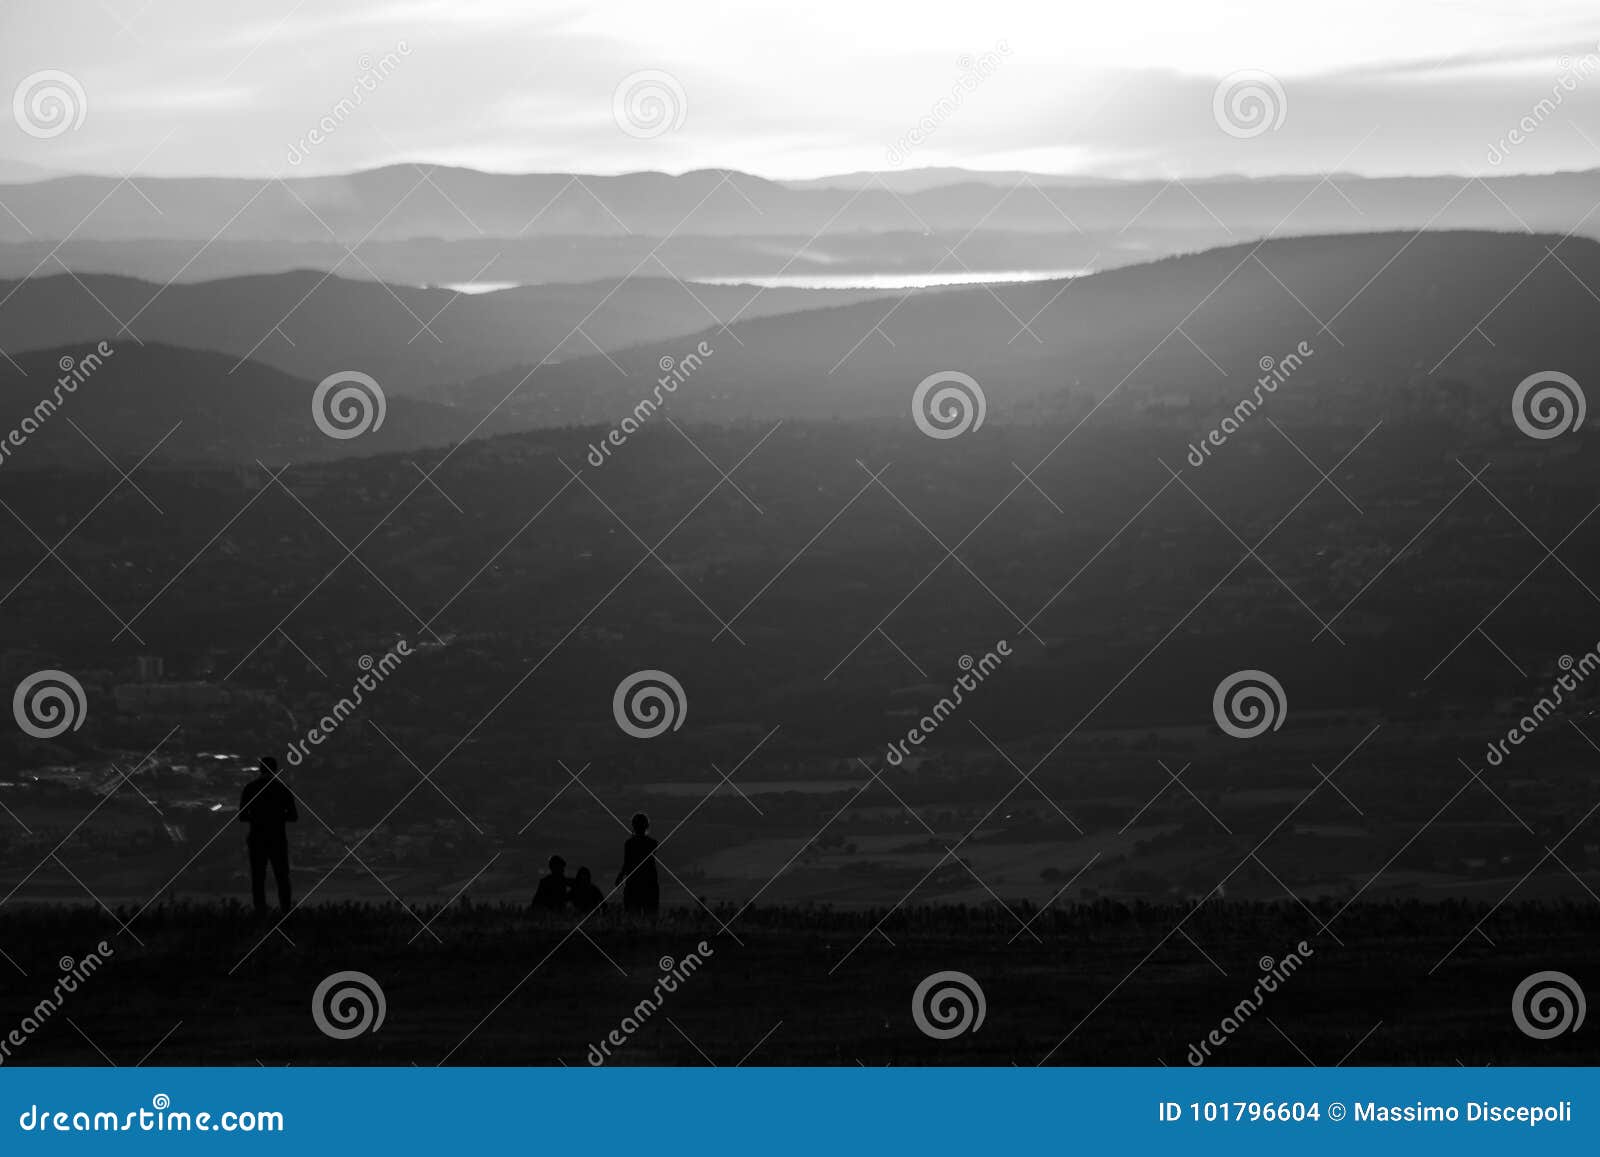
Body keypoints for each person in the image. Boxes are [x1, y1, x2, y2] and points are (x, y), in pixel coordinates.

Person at [238, 755, 297, 914]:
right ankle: (286, 911)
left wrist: (258, 818)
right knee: (282, 876)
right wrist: (277, 817)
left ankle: (260, 911)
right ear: (275, 769)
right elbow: (293, 816)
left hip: (257, 838)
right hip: (277, 838)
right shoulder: (282, 789)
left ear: (260, 769)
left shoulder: (250, 788)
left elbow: (242, 816)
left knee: (258, 877)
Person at [616, 812, 660, 916]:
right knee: (649, 914)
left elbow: (627, 863)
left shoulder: (630, 844)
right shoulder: (652, 843)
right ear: (647, 826)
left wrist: (621, 876)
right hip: (649, 883)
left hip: (634, 883)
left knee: (633, 913)